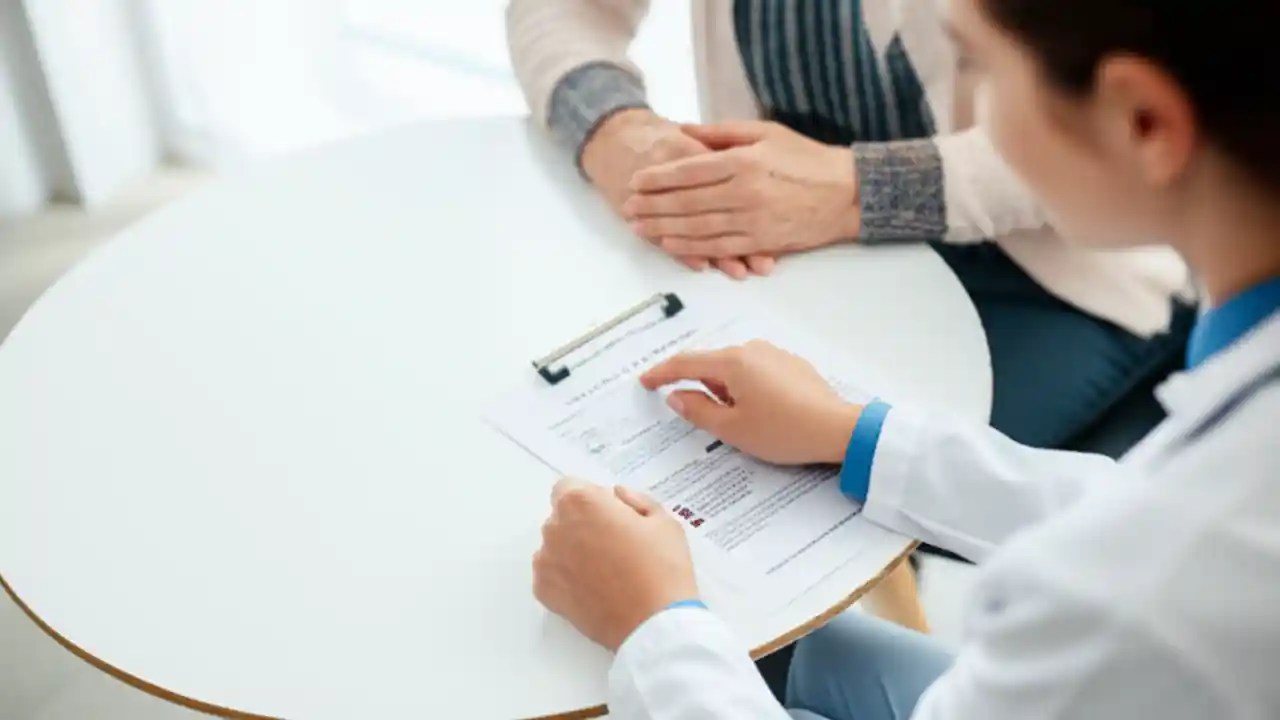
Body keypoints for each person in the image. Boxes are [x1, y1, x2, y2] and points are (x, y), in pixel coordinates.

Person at [529, 0, 1280, 717]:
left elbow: (1143, 556)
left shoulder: (1131, 607)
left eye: (976, 63)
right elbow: (1124, 514)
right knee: (782, 650)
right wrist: (856, 434)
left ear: (1142, 122)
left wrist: (653, 632)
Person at [506, 0, 1194, 458]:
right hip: (789, 241)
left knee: (801, 494)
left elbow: (1106, 133)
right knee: (648, 445)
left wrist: (859, 191)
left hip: (1047, 270)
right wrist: (614, 128)